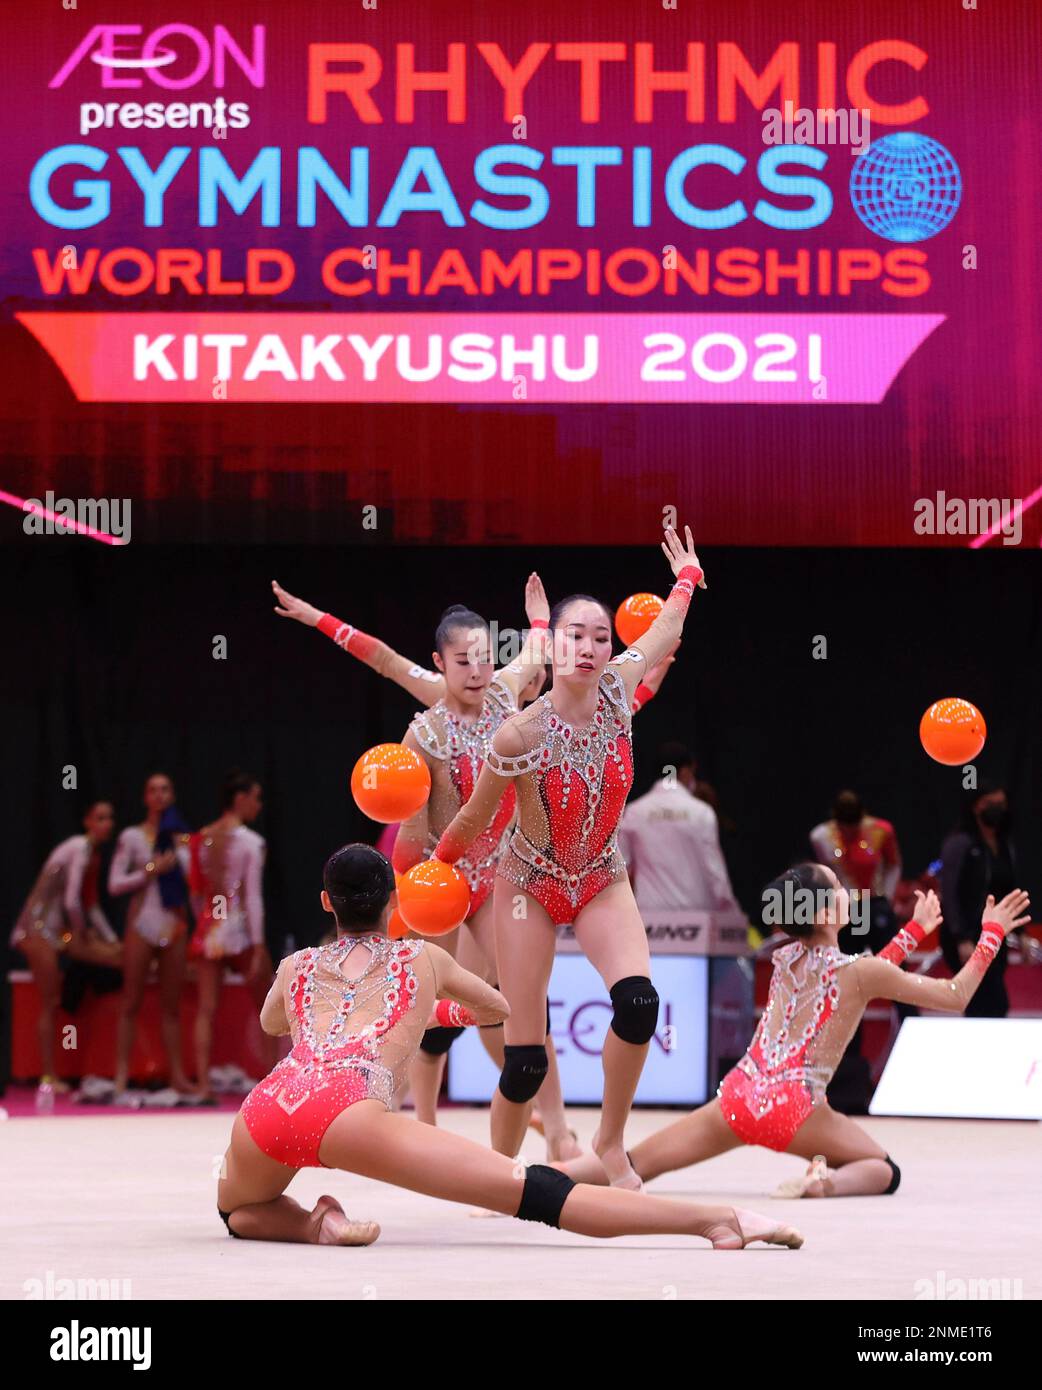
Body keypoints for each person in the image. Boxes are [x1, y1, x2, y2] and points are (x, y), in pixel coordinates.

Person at [215, 843, 803, 1252]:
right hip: (350, 1113)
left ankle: (315, 1225)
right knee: (542, 1195)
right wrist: (434, 1011)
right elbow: (499, 1008)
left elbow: (275, 1025)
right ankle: (717, 1220)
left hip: (269, 1110)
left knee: (237, 1213)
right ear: (394, 903)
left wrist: (401, 1018)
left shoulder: (297, 966)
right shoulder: (422, 957)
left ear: (326, 904)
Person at [432, 526, 706, 1188]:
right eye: (574, 635)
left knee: (638, 1005)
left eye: (601, 636)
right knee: (525, 1059)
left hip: (602, 879)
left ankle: (609, 1145)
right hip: (526, 884)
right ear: (548, 647)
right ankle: (497, 1178)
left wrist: (687, 577)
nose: (589, 647)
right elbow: (474, 818)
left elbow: (666, 632)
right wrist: (432, 869)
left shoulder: (618, 691)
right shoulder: (517, 732)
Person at [556, 864, 1030, 1198]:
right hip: (793, 1107)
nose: (847, 892)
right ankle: (821, 1182)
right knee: (882, 1170)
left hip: (738, 1097)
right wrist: (991, 933)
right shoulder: (858, 972)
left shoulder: (786, 956)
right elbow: (954, 995)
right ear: (826, 914)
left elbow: (860, 981)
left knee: (633, 1161)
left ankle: (536, 1177)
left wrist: (913, 931)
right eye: (838, 886)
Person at [10, 800, 123, 1092]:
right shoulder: (79, 848)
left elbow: (91, 904)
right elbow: (73, 900)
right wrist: (83, 934)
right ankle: (48, 1077)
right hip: (36, 930)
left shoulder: (93, 855)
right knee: (49, 1003)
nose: (106, 824)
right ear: (87, 822)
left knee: (116, 954)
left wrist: (109, 939)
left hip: (57, 930)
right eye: (100, 818)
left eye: (109, 818)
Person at [189, 770, 273, 1102]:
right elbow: (252, 897)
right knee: (266, 1004)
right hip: (239, 929)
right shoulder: (251, 843)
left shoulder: (200, 838)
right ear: (240, 799)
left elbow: (196, 895)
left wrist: (205, 926)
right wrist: (258, 945)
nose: (258, 805)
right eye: (255, 797)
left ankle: (203, 1085)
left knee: (206, 1008)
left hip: (210, 930)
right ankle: (271, 1080)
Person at [109, 773, 193, 1102]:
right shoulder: (131, 837)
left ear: (172, 795)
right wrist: (149, 870)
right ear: (145, 797)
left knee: (171, 1007)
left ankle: (177, 1075)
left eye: (165, 789)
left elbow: (195, 886)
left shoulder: (181, 838)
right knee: (130, 1002)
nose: (159, 795)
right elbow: (115, 884)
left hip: (173, 926)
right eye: (153, 790)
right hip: (142, 925)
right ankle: (120, 1074)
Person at [618, 740, 742, 916]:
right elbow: (715, 872)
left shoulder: (634, 813)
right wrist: (731, 913)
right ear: (685, 771)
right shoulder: (701, 812)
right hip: (697, 920)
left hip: (649, 919)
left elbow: (620, 869)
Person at [940, 782, 1019, 1017]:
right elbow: (950, 892)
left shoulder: (1004, 844)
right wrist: (961, 937)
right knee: (986, 1000)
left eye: (1001, 804)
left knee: (994, 1001)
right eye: (990, 804)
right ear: (976, 807)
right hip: (968, 935)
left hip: (996, 934)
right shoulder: (960, 843)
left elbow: (1010, 891)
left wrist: (1021, 933)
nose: (997, 809)